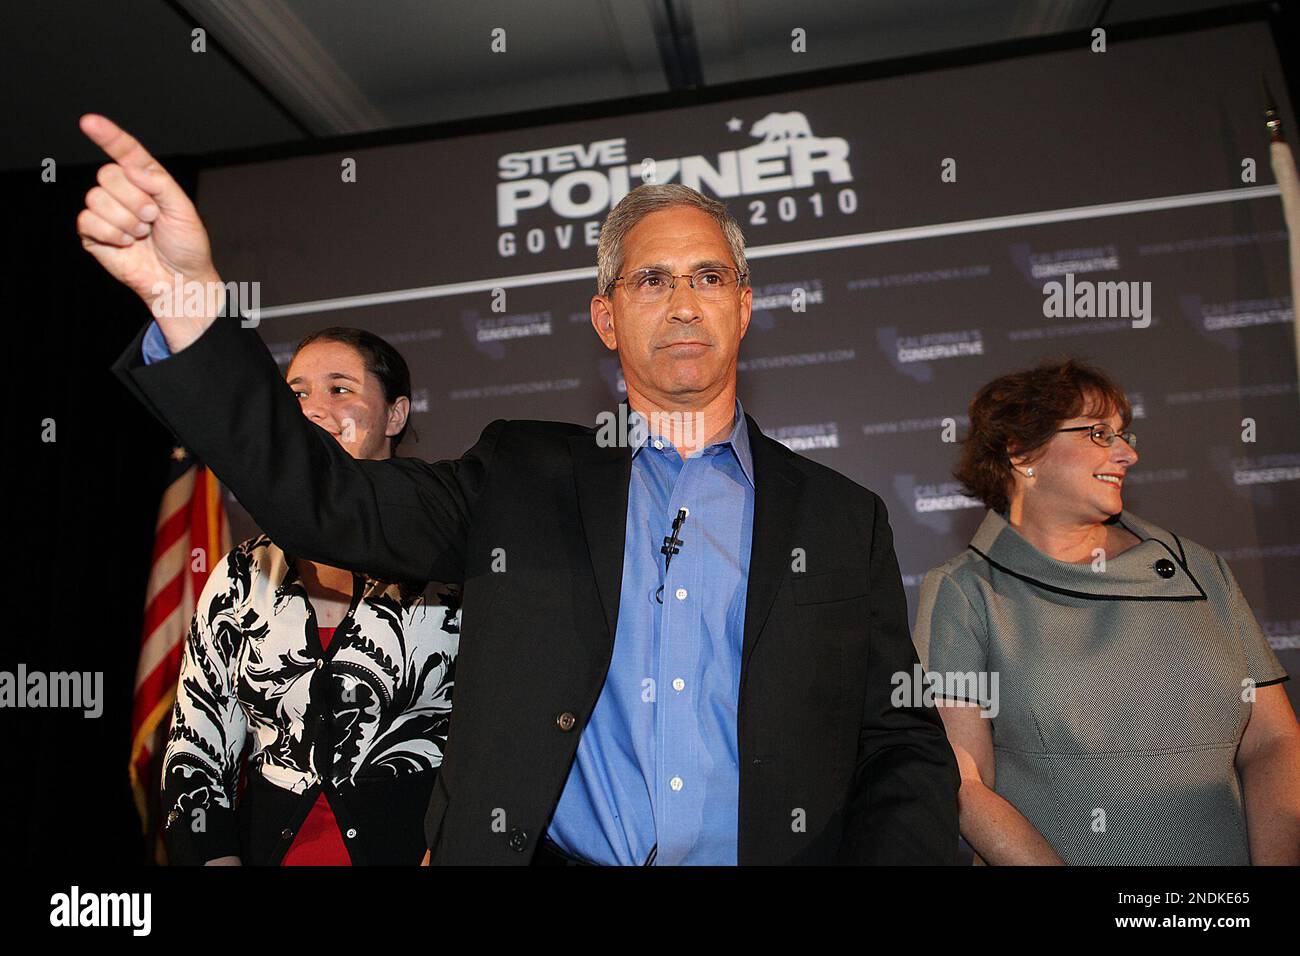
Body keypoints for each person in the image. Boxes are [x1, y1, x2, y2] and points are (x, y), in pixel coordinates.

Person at [79, 114, 959, 865]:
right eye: (652, 280)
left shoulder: (843, 519)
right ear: (606, 317)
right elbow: (324, 503)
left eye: (709, 277)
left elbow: (902, 747)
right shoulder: (520, 478)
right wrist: (185, 298)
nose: (685, 303)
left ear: (745, 305)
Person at [913, 359, 1300, 865]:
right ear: (1022, 452)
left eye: (1125, 435)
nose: (1127, 453)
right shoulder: (965, 591)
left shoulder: (1199, 569)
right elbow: (965, 782)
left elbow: (1272, 741)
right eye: (1099, 433)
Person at [160, 326, 461, 865]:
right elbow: (195, 752)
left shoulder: (452, 568)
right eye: (296, 394)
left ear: (395, 415)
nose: (313, 409)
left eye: (339, 389)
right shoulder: (240, 574)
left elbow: (500, 740)